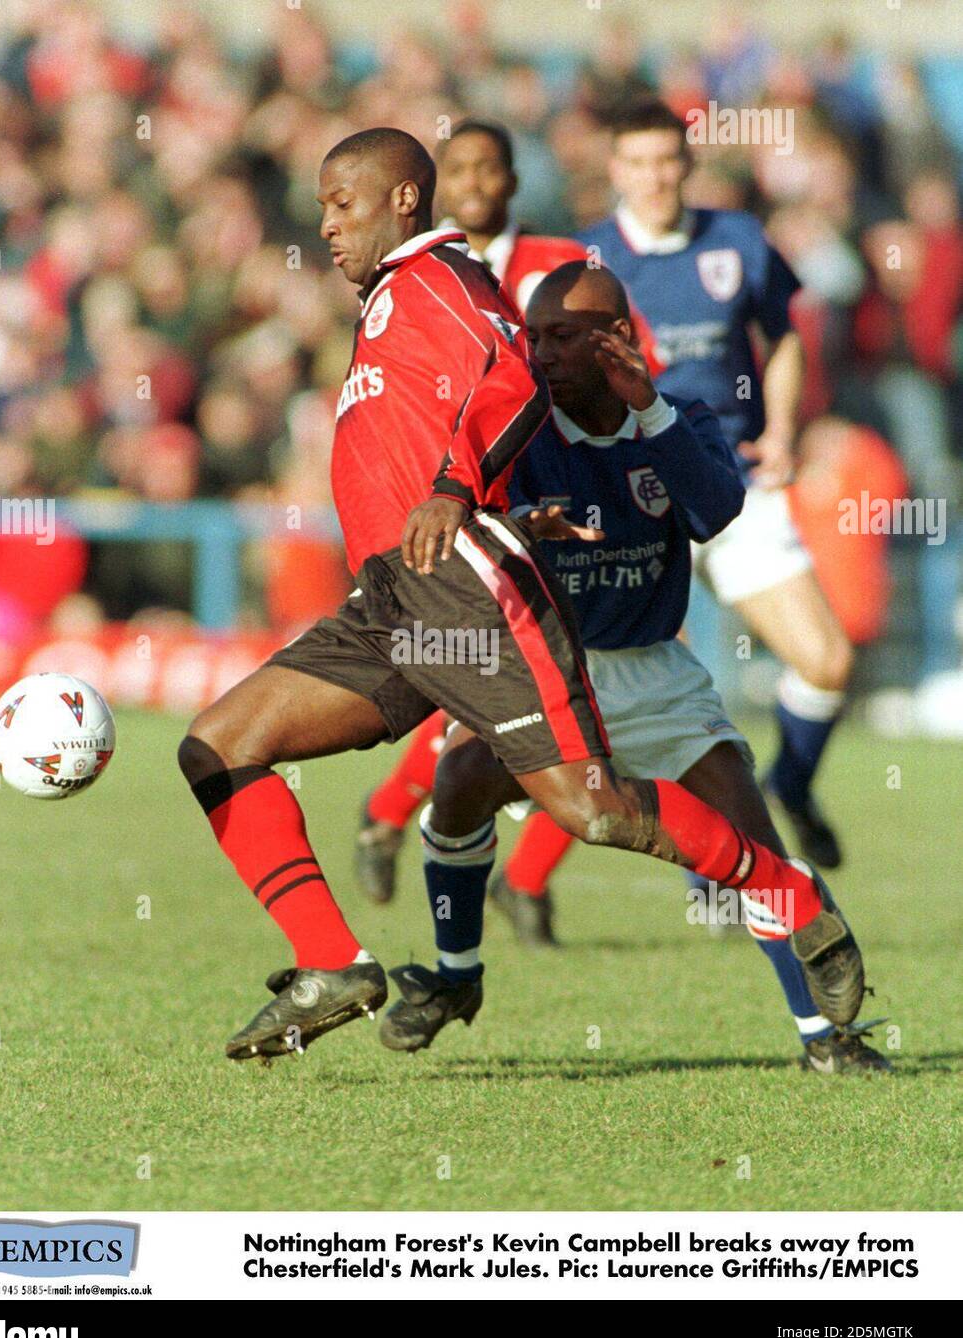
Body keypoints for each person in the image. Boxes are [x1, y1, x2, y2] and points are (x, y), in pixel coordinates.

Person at [177, 126, 864, 1063]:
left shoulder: (438, 283)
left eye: (343, 204)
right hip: (395, 600)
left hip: (492, 605)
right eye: (324, 205)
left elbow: (508, 375)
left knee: (595, 810)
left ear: (404, 202)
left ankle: (788, 902)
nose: (325, 225)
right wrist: (510, 509)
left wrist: (460, 492)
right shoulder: (390, 301)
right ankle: (335, 962)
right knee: (220, 747)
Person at [378, 263, 885, 1074]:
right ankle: (455, 977)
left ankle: (827, 1038)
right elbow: (458, 519)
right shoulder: (520, 426)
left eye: (564, 336)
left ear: (618, 337)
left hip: (654, 674)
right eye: (534, 334)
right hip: (546, 672)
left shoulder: (678, 416)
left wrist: (648, 409)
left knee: (755, 844)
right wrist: (515, 527)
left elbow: (716, 510)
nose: (540, 352)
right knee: (457, 788)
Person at [354, 118, 660, 908]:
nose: (475, 183)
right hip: (473, 510)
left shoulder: (558, 265)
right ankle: (405, 823)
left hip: (555, 486)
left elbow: (629, 356)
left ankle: (500, 870)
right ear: (430, 190)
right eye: (459, 169)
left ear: (513, 180)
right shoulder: (416, 276)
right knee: (485, 680)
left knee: (551, 685)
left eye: (489, 168)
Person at [576, 99, 854, 876]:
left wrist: (785, 430)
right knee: (623, 706)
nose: (655, 176)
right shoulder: (583, 257)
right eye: (638, 162)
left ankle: (790, 787)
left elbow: (787, 333)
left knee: (826, 661)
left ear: (687, 163)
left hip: (729, 481)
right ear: (614, 170)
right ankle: (526, 880)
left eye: (668, 159)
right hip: (630, 496)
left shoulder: (737, 240)